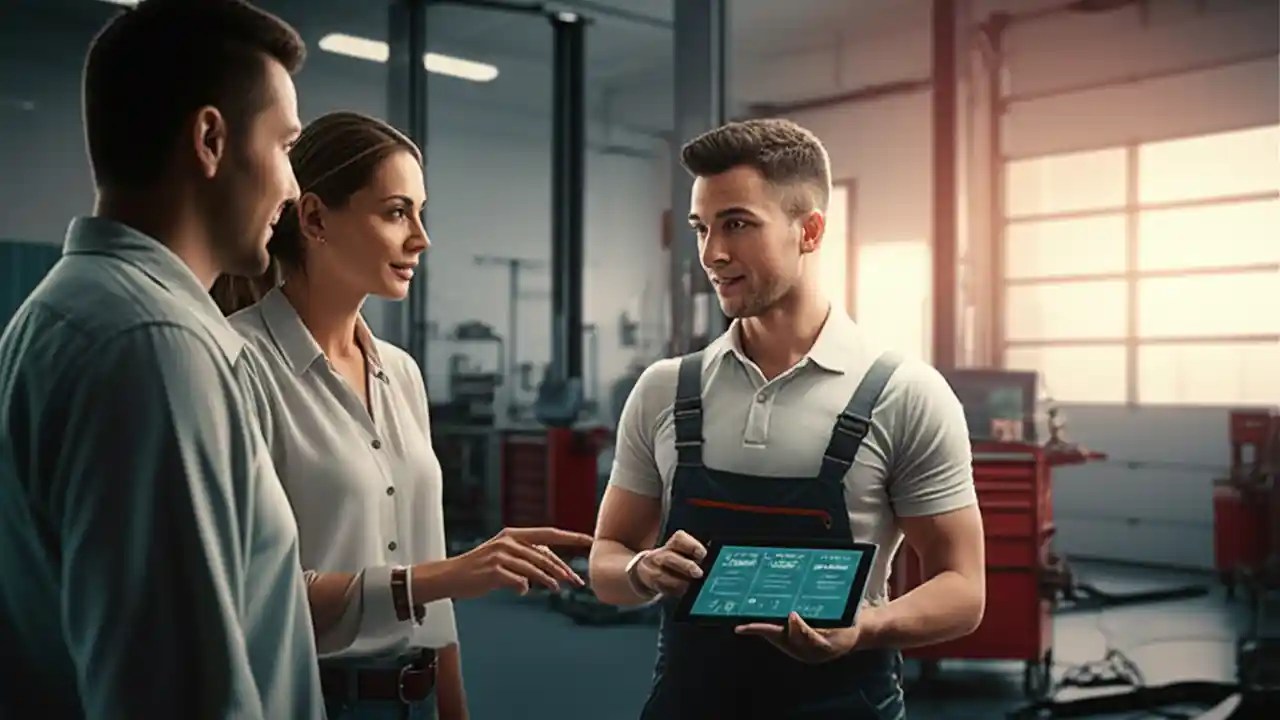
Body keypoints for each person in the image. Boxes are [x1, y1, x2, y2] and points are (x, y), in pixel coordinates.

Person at [588, 118, 987, 719]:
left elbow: (964, 588)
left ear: (810, 231)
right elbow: (606, 560)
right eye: (702, 228)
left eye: (737, 224)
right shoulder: (664, 391)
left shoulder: (905, 394)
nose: (712, 254)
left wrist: (867, 627)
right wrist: (641, 570)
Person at [209, 111, 595, 720]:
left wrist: (452, 706)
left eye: (421, 213)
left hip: (415, 697)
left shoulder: (401, 372)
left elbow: (431, 585)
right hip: (307, 699)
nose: (421, 238)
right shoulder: (237, 363)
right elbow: (248, 592)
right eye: (396, 212)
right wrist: (440, 577)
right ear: (315, 219)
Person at [0, 2, 325, 719]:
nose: (293, 188)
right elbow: (181, 696)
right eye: (284, 147)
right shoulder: (155, 347)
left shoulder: (69, 312)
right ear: (210, 140)